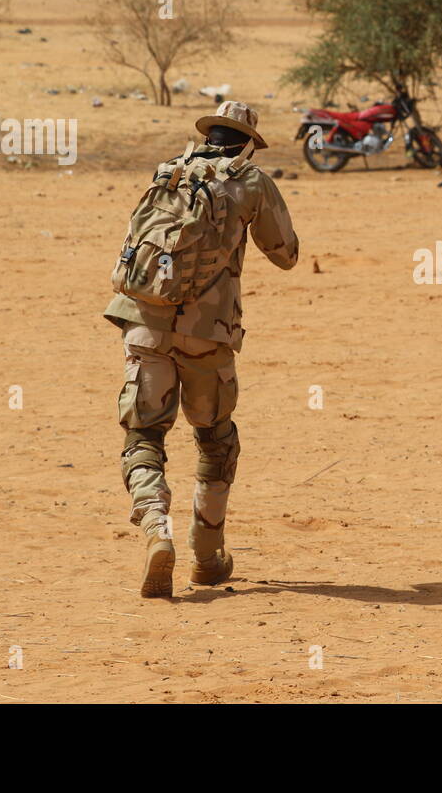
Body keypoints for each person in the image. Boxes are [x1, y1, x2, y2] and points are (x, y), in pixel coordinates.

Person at [104, 101, 299, 597]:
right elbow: (286, 254)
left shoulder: (170, 171)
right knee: (215, 439)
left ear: (209, 135)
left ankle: (156, 531)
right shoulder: (252, 182)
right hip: (207, 333)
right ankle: (208, 556)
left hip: (143, 324)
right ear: (249, 143)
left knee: (144, 436)